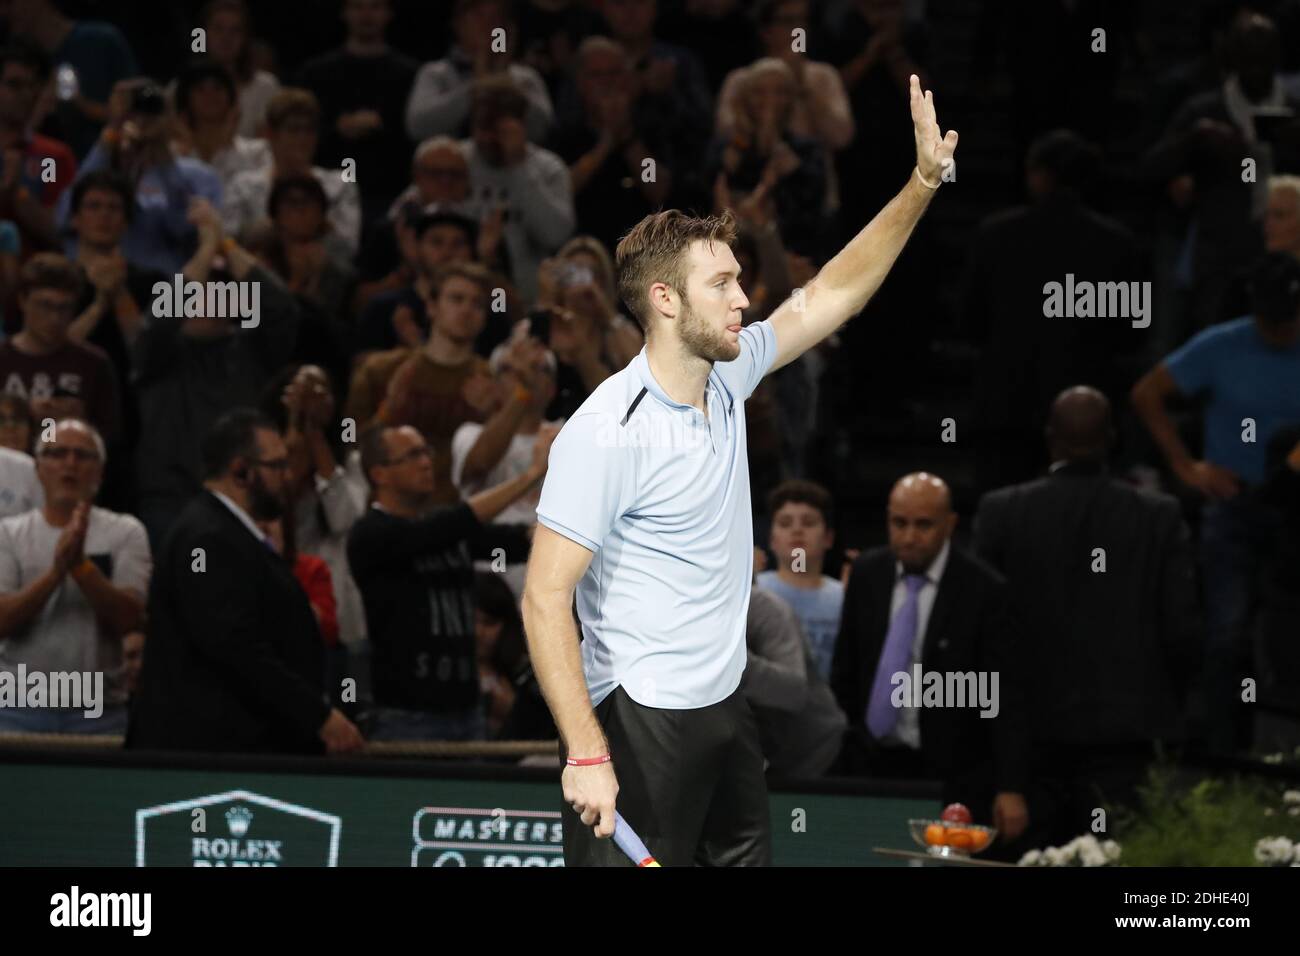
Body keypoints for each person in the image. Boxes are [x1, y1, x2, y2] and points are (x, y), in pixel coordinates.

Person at [522, 74, 956, 866]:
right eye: (721, 284)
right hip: (639, 717)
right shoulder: (606, 433)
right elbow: (545, 598)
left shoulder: (728, 374)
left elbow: (834, 294)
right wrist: (585, 752)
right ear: (663, 300)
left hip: (725, 705)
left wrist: (923, 182)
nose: (745, 300)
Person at [975, 387, 1202, 851]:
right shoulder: (1158, 516)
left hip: (1028, 745)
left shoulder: (1003, 512)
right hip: (1127, 741)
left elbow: (984, 635)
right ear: (1113, 438)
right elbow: (1183, 631)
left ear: (1049, 438)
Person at [1131, 252, 1300, 754]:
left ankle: (1285, 763)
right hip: (1235, 505)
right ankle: (1225, 759)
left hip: (1297, 513)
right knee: (1227, 632)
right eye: (1271, 319)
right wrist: (1187, 468)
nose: (1278, 331)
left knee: (1289, 639)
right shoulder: (1223, 344)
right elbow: (1147, 394)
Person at [127, 408, 364, 755]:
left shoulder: (230, 533)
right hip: (211, 754)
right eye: (278, 466)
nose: (289, 476)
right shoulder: (207, 537)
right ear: (241, 471)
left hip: (239, 745)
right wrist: (319, 715)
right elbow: (233, 645)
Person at [831, 472, 1029, 854]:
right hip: (871, 766)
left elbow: (1006, 698)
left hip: (953, 774)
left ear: (950, 524)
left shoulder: (984, 591)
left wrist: (1011, 786)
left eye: (923, 524)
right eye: (899, 523)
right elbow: (847, 671)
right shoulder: (868, 576)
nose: (909, 536)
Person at [347, 421, 555, 741]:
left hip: (466, 711)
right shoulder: (371, 535)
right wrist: (530, 475)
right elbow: (456, 522)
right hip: (408, 717)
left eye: (426, 452)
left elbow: (519, 541)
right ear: (380, 474)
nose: (427, 462)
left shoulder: (444, 531)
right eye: (413, 455)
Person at [131, 200, 300, 549]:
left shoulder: (253, 350)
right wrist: (207, 249)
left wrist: (226, 244)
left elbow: (282, 308)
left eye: (221, 288)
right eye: (199, 287)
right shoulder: (158, 353)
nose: (207, 295)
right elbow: (158, 322)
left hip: (242, 498)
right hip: (169, 501)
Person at [0, 418, 148, 735]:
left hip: (98, 710)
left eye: (82, 455)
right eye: (57, 454)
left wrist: (81, 568)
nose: (70, 464)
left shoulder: (126, 532)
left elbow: (130, 618)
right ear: (38, 469)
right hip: (17, 705)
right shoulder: (8, 534)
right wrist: (56, 573)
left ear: (100, 471)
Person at [346, 262, 494, 507]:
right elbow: (350, 445)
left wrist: (490, 418)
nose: (467, 310)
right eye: (456, 299)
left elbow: (498, 463)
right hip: (386, 514)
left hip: (457, 514)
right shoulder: (381, 370)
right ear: (432, 306)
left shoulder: (492, 381)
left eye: (477, 304)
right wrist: (387, 411)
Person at [57, 78, 223, 275]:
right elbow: (65, 216)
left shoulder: (197, 175)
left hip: (160, 289)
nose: (140, 118)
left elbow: (184, 229)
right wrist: (112, 130)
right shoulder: (98, 163)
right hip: (89, 281)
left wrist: (162, 154)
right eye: (133, 110)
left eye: (150, 111)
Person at [451, 334, 561, 594]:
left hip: (551, 573)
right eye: (510, 370)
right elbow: (478, 465)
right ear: (495, 383)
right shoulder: (470, 433)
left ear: (553, 387)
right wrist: (521, 394)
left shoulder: (568, 431)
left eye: (538, 369)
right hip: (489, 580)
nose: (525, 375)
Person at [296, 0, 418, 225]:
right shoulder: (315, 73)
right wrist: (337, 129)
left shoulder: (410, 74)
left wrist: (382, 124)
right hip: (326, 191)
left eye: (375, 7)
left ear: (388, 13)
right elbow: (300, 131)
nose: (366, 15)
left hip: (390, 190)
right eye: (358, 7)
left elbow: (416, 135)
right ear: (345, 13)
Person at [460, 75, 573, 302]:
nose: (490, 138)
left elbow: (555, 236)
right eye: (484, 128)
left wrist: (518, 166)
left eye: (500, 130)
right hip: (463, 296)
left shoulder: (548, 168)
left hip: (527, 299)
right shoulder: (453, 162)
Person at [221, 88, 362, 259]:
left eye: (309, 130)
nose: (303, 137)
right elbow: (227, 242)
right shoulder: (243, 185)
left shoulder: (340, 184)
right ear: (270, 134)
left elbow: (348, 247)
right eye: (294, 130)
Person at [0, 253, 120, 447]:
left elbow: (112, 439)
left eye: (64, 308)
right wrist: (24, 412)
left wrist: (80, 425)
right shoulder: (3, 359)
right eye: (44, 305)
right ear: (23, 301)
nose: (54, 318)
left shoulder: (93, 363)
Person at [406, 0, 554, 144]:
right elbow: (417, 127)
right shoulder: (436, 73)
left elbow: (543, 131)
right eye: (479, 16)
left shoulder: (526, 77)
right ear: (458, 24)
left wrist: (508, 89)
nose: (488, 25)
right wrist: (475, 89)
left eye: (496, 18)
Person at [8, 0, 139, 159]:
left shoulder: (100, 41)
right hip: (48, 172)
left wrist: (81, 105)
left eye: (9, 2)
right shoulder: (16, 60)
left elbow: (139, 117)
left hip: (106, 173)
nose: (4, 12)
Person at [742, 584, 846, 779]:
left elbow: (793, 691)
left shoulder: (765, 609)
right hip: (755, 757)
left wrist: (731, 660)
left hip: (816, 754)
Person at [755, 479, 844, 681]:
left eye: (808, 523)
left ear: (828, 537)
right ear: (772, 540)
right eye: (785, 523)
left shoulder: (844, 597)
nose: (797, 530)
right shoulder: (754, 591)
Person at [0, 40, 77, 255]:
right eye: (14, 85)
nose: (27, 95)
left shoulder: (49, 158)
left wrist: (18, 193)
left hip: (37, 275)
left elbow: (56, 230)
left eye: (33, 86)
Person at [170, 59, 271, 195]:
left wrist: (224, 143)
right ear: (186, 99)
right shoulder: (170, 155)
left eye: (217, 88)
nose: (210, 95)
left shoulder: (257, 152)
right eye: (200, 89)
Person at [194, 0, 281, 138]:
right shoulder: (181, 87)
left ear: (245, 38)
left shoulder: (265, 87)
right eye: (218, 29)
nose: (226, 38)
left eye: (235, 30)